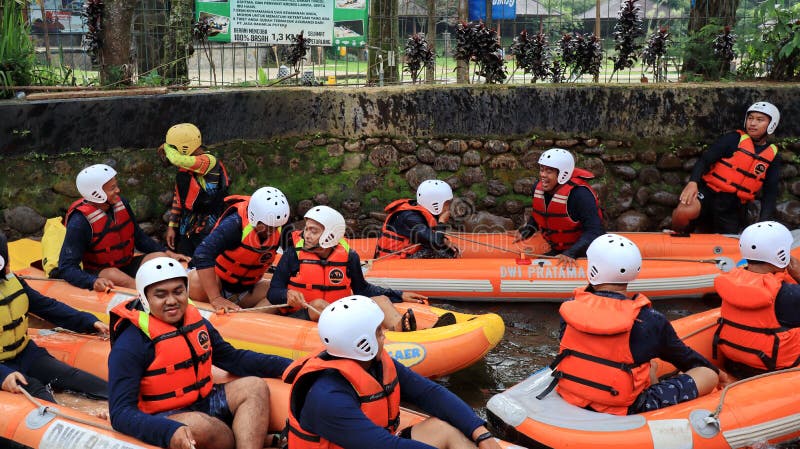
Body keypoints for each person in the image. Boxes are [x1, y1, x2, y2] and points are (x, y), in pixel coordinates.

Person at [108, 257, 292, 449]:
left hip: (204, 400)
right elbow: (121, 413)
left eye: (178, 292)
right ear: (144, 298)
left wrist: (286, 365)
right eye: (160, 295)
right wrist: (168, 431)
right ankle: (256, 440)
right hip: (163, 416)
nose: (172, 301)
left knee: (254, 386)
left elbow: (232, 358)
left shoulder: (197, 323)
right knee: (201, 425)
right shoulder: (130, 344)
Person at [283, 295, 503, 449]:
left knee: (442, 429)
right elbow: (383, 445)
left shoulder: (373, 364)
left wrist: (480, 433)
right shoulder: (327, 397)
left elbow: (430, 393)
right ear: (361, 343)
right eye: (379, 332)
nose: (385, 335)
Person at [537, 234, 719, 415]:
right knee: (708, 375)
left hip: (573, 394)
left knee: (651, 366)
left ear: (593, 268)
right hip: (628, 407)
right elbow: (687, 360)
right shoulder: (649, 319)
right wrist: (718, 372)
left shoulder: (569, 307)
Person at [267, 205, 434, 330]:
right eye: (306, 229)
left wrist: (400, 294)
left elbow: (363, 289)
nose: (306, 235)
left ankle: (405, 331)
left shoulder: (349, 257)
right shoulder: (293, 254)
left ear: (330, 234)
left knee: (381, 301)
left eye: (313, 231)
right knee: (318, 304)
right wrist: (286, 294)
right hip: (300, 318)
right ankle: (357, 333)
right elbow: (273, 293)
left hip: (340, 316)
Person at [0, 232, 109, 402]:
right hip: (2, 366)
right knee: (36, 391)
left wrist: (89, 321)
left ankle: (126, 410)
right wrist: (3, 375)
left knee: (73, 377)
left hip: (26, 353)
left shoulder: (12, 282)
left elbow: (47, 307)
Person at [56, 163, 189, 292]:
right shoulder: (80, 221)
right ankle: (149, 295)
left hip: (127, 264)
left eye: (116, 186)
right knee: (113, 274)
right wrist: (92, 281)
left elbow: (138, 237)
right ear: (96, 193)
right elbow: (67, 267)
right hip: (102, 272)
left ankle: (174, 291)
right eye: (112, 188)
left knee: (161, 258)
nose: (118, 190)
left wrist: (168, 253)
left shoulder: (122, 203)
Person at [673, 102, 782, 234]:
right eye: (750, 118)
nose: (752, 123)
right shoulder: (733, 139)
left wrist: (763, 222)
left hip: (733, 206)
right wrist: (693, 182)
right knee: (684, 212)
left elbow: (770, 192)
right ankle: (676, 236)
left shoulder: (773, 156)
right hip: (709, 193)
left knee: (728, 239)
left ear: (772, 125)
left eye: (760, 120)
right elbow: (705, 160)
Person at [713, 221, 800, 379]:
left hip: (734, 363)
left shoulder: (732, 281)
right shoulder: (789, 294)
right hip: (772, 369)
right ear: (782, 254)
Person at [188, 186, 290, 312]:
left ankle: (249, 322)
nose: (272, 231)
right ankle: (213, 303)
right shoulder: (234, 224)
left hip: (246, 290)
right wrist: (215, 297)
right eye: (267, 227)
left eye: (275, 227)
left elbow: (296, 252)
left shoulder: (278, 226)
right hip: (217, 283)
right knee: (197, 282)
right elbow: (202, 254)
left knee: (279, 292)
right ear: (254, 218)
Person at [514, 148, 605, 265]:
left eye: (549, 171)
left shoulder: (581, 194)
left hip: (585, 252)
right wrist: (528, 229)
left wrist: (571, 253)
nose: (543, 175)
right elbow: (541, 214)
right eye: (541, 170)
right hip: (559, 249)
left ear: (563, 174)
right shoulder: (539, 188)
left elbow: (595, 231)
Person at [159, 123, 230, 257]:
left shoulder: (209, 161)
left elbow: (177, 159)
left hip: (208, 228)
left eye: (173, 147)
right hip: (186, 227)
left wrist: (166, 147)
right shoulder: (184, 169)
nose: (170, 151)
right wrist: (172, 226)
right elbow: (178, 198)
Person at [374, 179, 459, 259]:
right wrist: (442, 221)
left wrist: (445, 240)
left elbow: (427, 236)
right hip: (393, 261)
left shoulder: (420, 212)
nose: (449, 208)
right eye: (447, 203)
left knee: (447, 250)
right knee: (444, 253)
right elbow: (436, 243)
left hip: (404, 254)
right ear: (435, 203)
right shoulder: (410, 218)